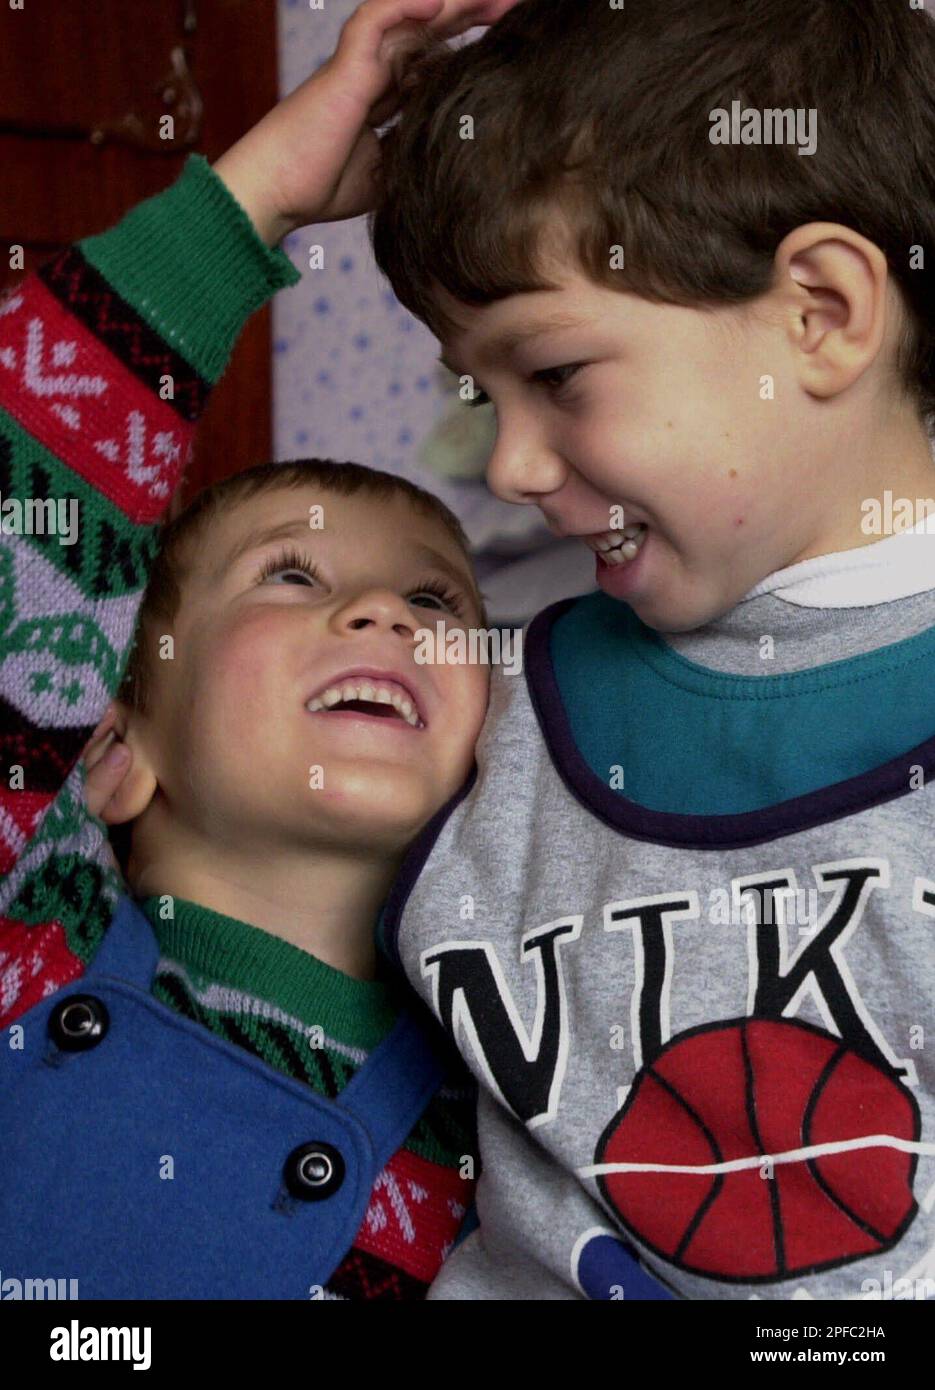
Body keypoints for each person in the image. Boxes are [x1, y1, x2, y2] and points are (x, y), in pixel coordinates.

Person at [358, 0, 935, 1298]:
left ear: (823, 314)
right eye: (478, 394)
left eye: (556, 374)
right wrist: (248, 205)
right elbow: (74, 742)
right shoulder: (472, 699)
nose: (507, 464)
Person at [0, 0, 520, 1301]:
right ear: (114, 745)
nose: (387, 616)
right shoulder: (32, 935)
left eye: (435, 602)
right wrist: (251, 205)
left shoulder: (512, 1121)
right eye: (293, 573)